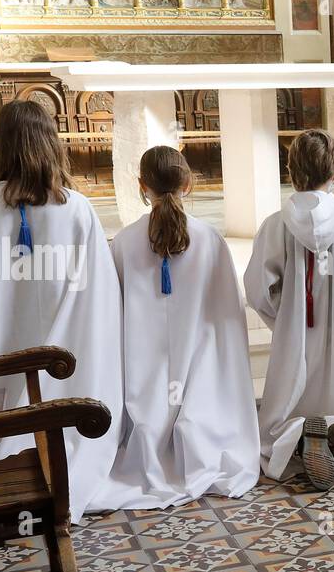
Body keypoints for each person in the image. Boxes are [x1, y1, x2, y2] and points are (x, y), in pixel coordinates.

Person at [0, 100, 122, 524]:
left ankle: (0, 446)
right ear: (50, 144)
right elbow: (98, 298)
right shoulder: (77, 209)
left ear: (2, 146)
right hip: (65, 369)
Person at [93, 146, 259, 510]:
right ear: (188, 183)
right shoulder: (210, 239)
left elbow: (111, 313)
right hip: (198, 374)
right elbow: (226, 315)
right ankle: (196, 443)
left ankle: (150, 445)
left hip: (144, 378)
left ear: (142, 185)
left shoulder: (123, 242)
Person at [243, 129, 334, 491]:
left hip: (296, 335)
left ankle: (300, 435)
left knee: (286, 409)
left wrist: (285, 318)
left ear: (291, 169)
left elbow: (256, 289)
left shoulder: (275, 226)